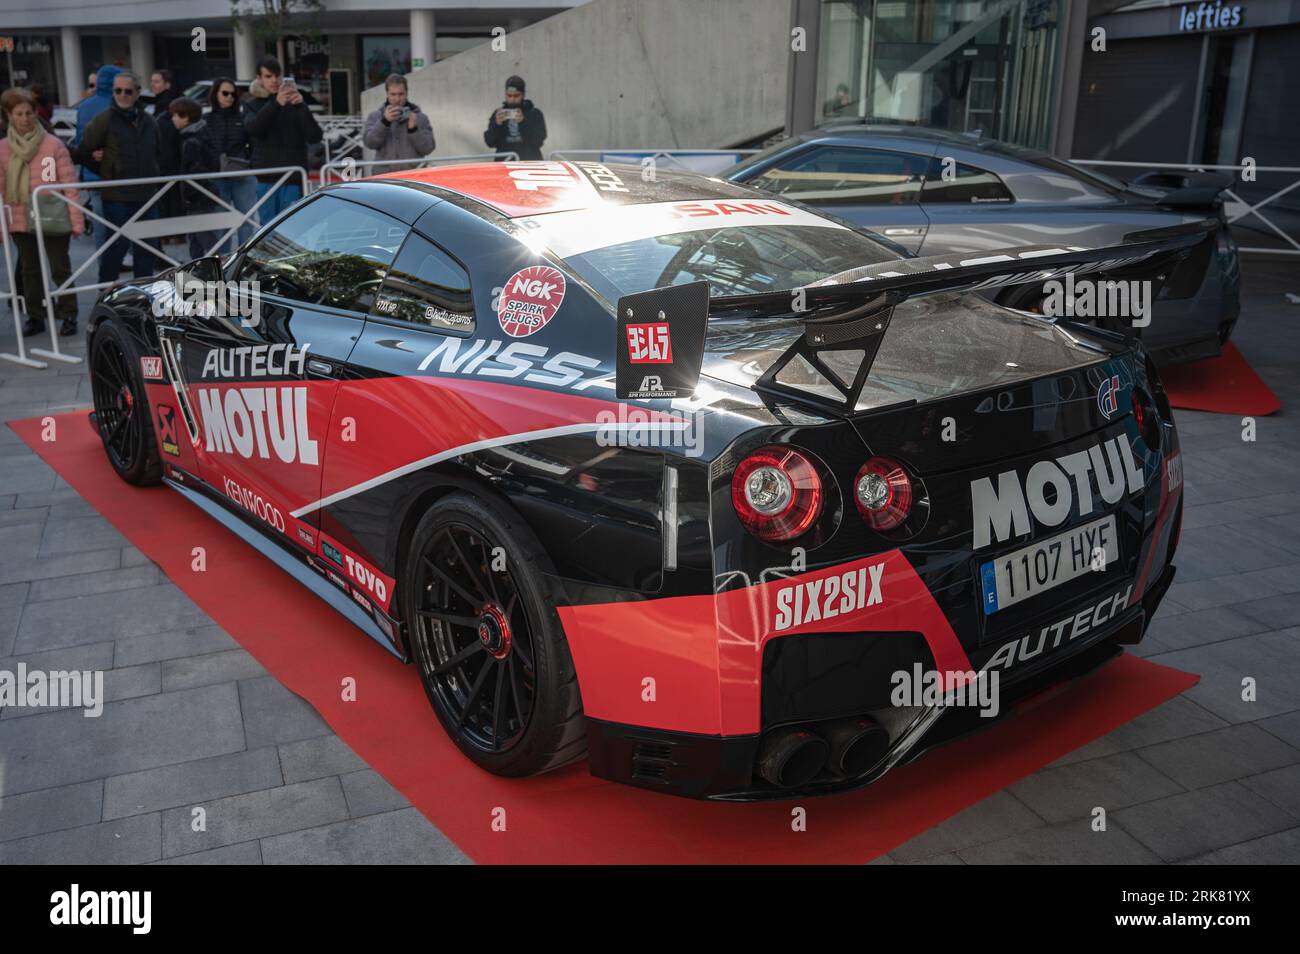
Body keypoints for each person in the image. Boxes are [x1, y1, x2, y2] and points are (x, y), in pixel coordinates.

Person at [1, 88, 86, 337]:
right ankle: (35, 316)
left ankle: (69, 314)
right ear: (9, 116)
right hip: (19, 216)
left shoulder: (53, 144)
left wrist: (76, 219)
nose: (25, 118)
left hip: (53, 215)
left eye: (29, 113)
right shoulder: (3, 148)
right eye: (19, 113)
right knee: (29, 270)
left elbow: (69, 184)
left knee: (60, 267)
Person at [71, 71, 163, 286]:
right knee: (116, 249)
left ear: (137, 92)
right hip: (117, 197)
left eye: (127, 91)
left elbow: (158, 153)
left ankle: (142, 296)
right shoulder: (104, 120)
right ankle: (105, 294)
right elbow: (81, 151)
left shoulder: (150, 121)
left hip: (148, 196)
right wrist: (103, 166)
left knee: (147, 248)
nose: (122, 95)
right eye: (117, 91)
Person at [243, 56, 321, 220]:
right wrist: (276, 104)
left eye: (277, 76)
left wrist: (301, 106)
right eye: (268, 76)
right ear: (259, 78)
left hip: (292, 177)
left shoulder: (294, 104)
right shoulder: (251, 104)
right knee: (268, 229)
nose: (274, 81)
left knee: (293, 226)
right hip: (266, 177)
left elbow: (314, 136)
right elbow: (254, 129)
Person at [201, 77, 258, 252]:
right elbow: (203, 146)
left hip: (242, 175)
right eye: (225, 93)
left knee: (247, 220)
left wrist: (247, 161)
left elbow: (253, 142)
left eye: (233, 94)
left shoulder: (243, 117)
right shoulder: (206, 119)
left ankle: (244, 260)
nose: (229, 97)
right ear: (215, 94)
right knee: (221, 224)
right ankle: (222, 263)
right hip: (217, 177)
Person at [168, 97, 221, 262]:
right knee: (195, 238)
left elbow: (193, 171)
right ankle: (197, 270)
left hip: (197, 197)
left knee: (203, 237)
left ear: (185, 117)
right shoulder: (202, 133)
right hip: (203, 194)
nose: (172, 119)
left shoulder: (191, 140)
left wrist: (189, 196)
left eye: (175, 115)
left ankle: (223, 267)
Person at [362, 74, 434, 163]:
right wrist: (384, 122)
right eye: (393, 94)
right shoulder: (375, 116)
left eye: (401, 94)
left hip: (411, 174)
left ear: (407, 93)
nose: (397, 99)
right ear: (387, 94)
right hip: (385, 174)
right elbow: (370, 144)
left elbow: (428, 149)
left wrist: (414, 130)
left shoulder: (420, 117)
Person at [484, 75, 546, 161]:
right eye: (509, 96)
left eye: (516, 96)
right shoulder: (498, 114)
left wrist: (523, 123)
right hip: (505, 164)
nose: (512, 99)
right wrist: (497, 125)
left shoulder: (534, 113)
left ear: (523, 95)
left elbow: (538, 141)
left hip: (529, 163)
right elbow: (490, 142)